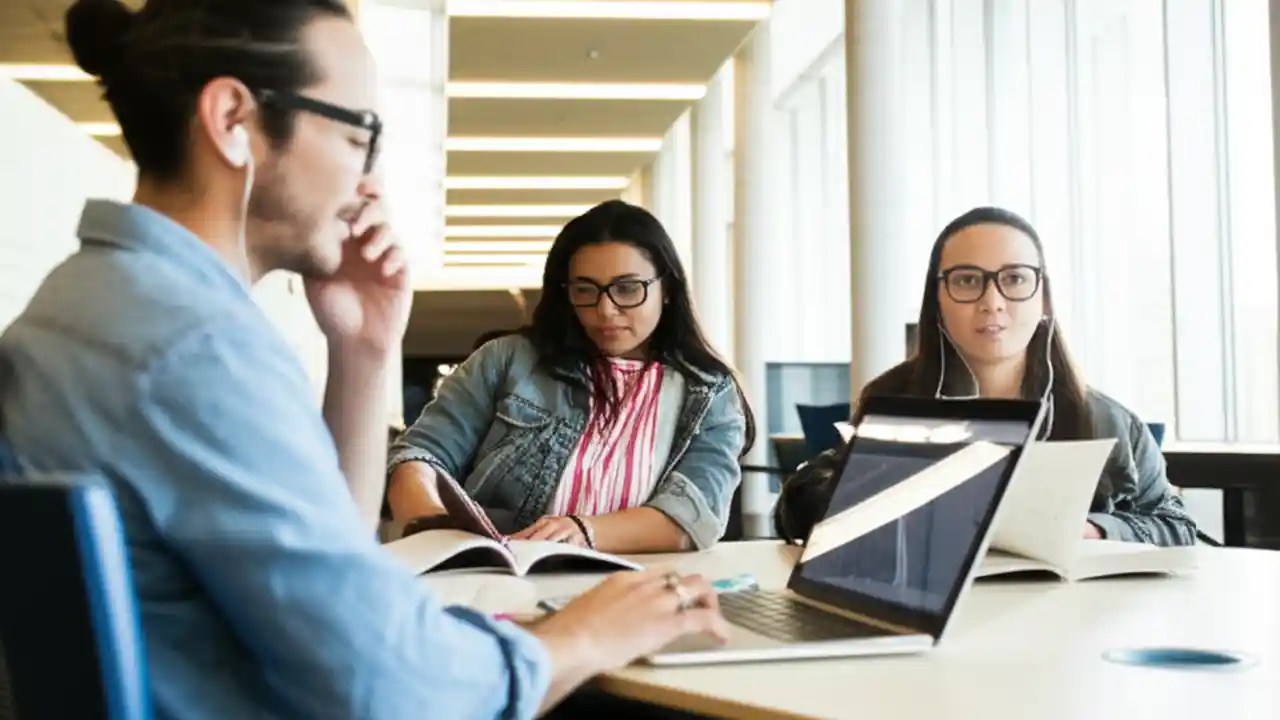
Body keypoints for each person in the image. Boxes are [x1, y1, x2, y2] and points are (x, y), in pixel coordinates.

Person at [0, 1, 727, 717]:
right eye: (359, 134)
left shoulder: (89, 304)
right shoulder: (197, 351)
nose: (370, 182)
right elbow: (400, 692)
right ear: (233, 122)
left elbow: (332, 565)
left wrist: (363, 352)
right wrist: (584, 634)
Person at [774, 207, 1198, 548]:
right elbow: (794, 512)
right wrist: (856, 495)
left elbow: (1177, 528)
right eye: (967, 281)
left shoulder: (1105, 419)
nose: (992, 301)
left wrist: (1093, 531)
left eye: (1014, 279)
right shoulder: (893, 400)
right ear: (937, 300)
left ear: (1044, 298)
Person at [387, 200, 754, 553]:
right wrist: (434, 532)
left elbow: (692, 518)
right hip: (498, 575)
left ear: (668, 289)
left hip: (634, 585)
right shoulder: (507, 361)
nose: (605, 309)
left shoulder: (708, 392)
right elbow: (418, 456)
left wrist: (583, 530)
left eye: (628, 289)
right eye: (585, 290)